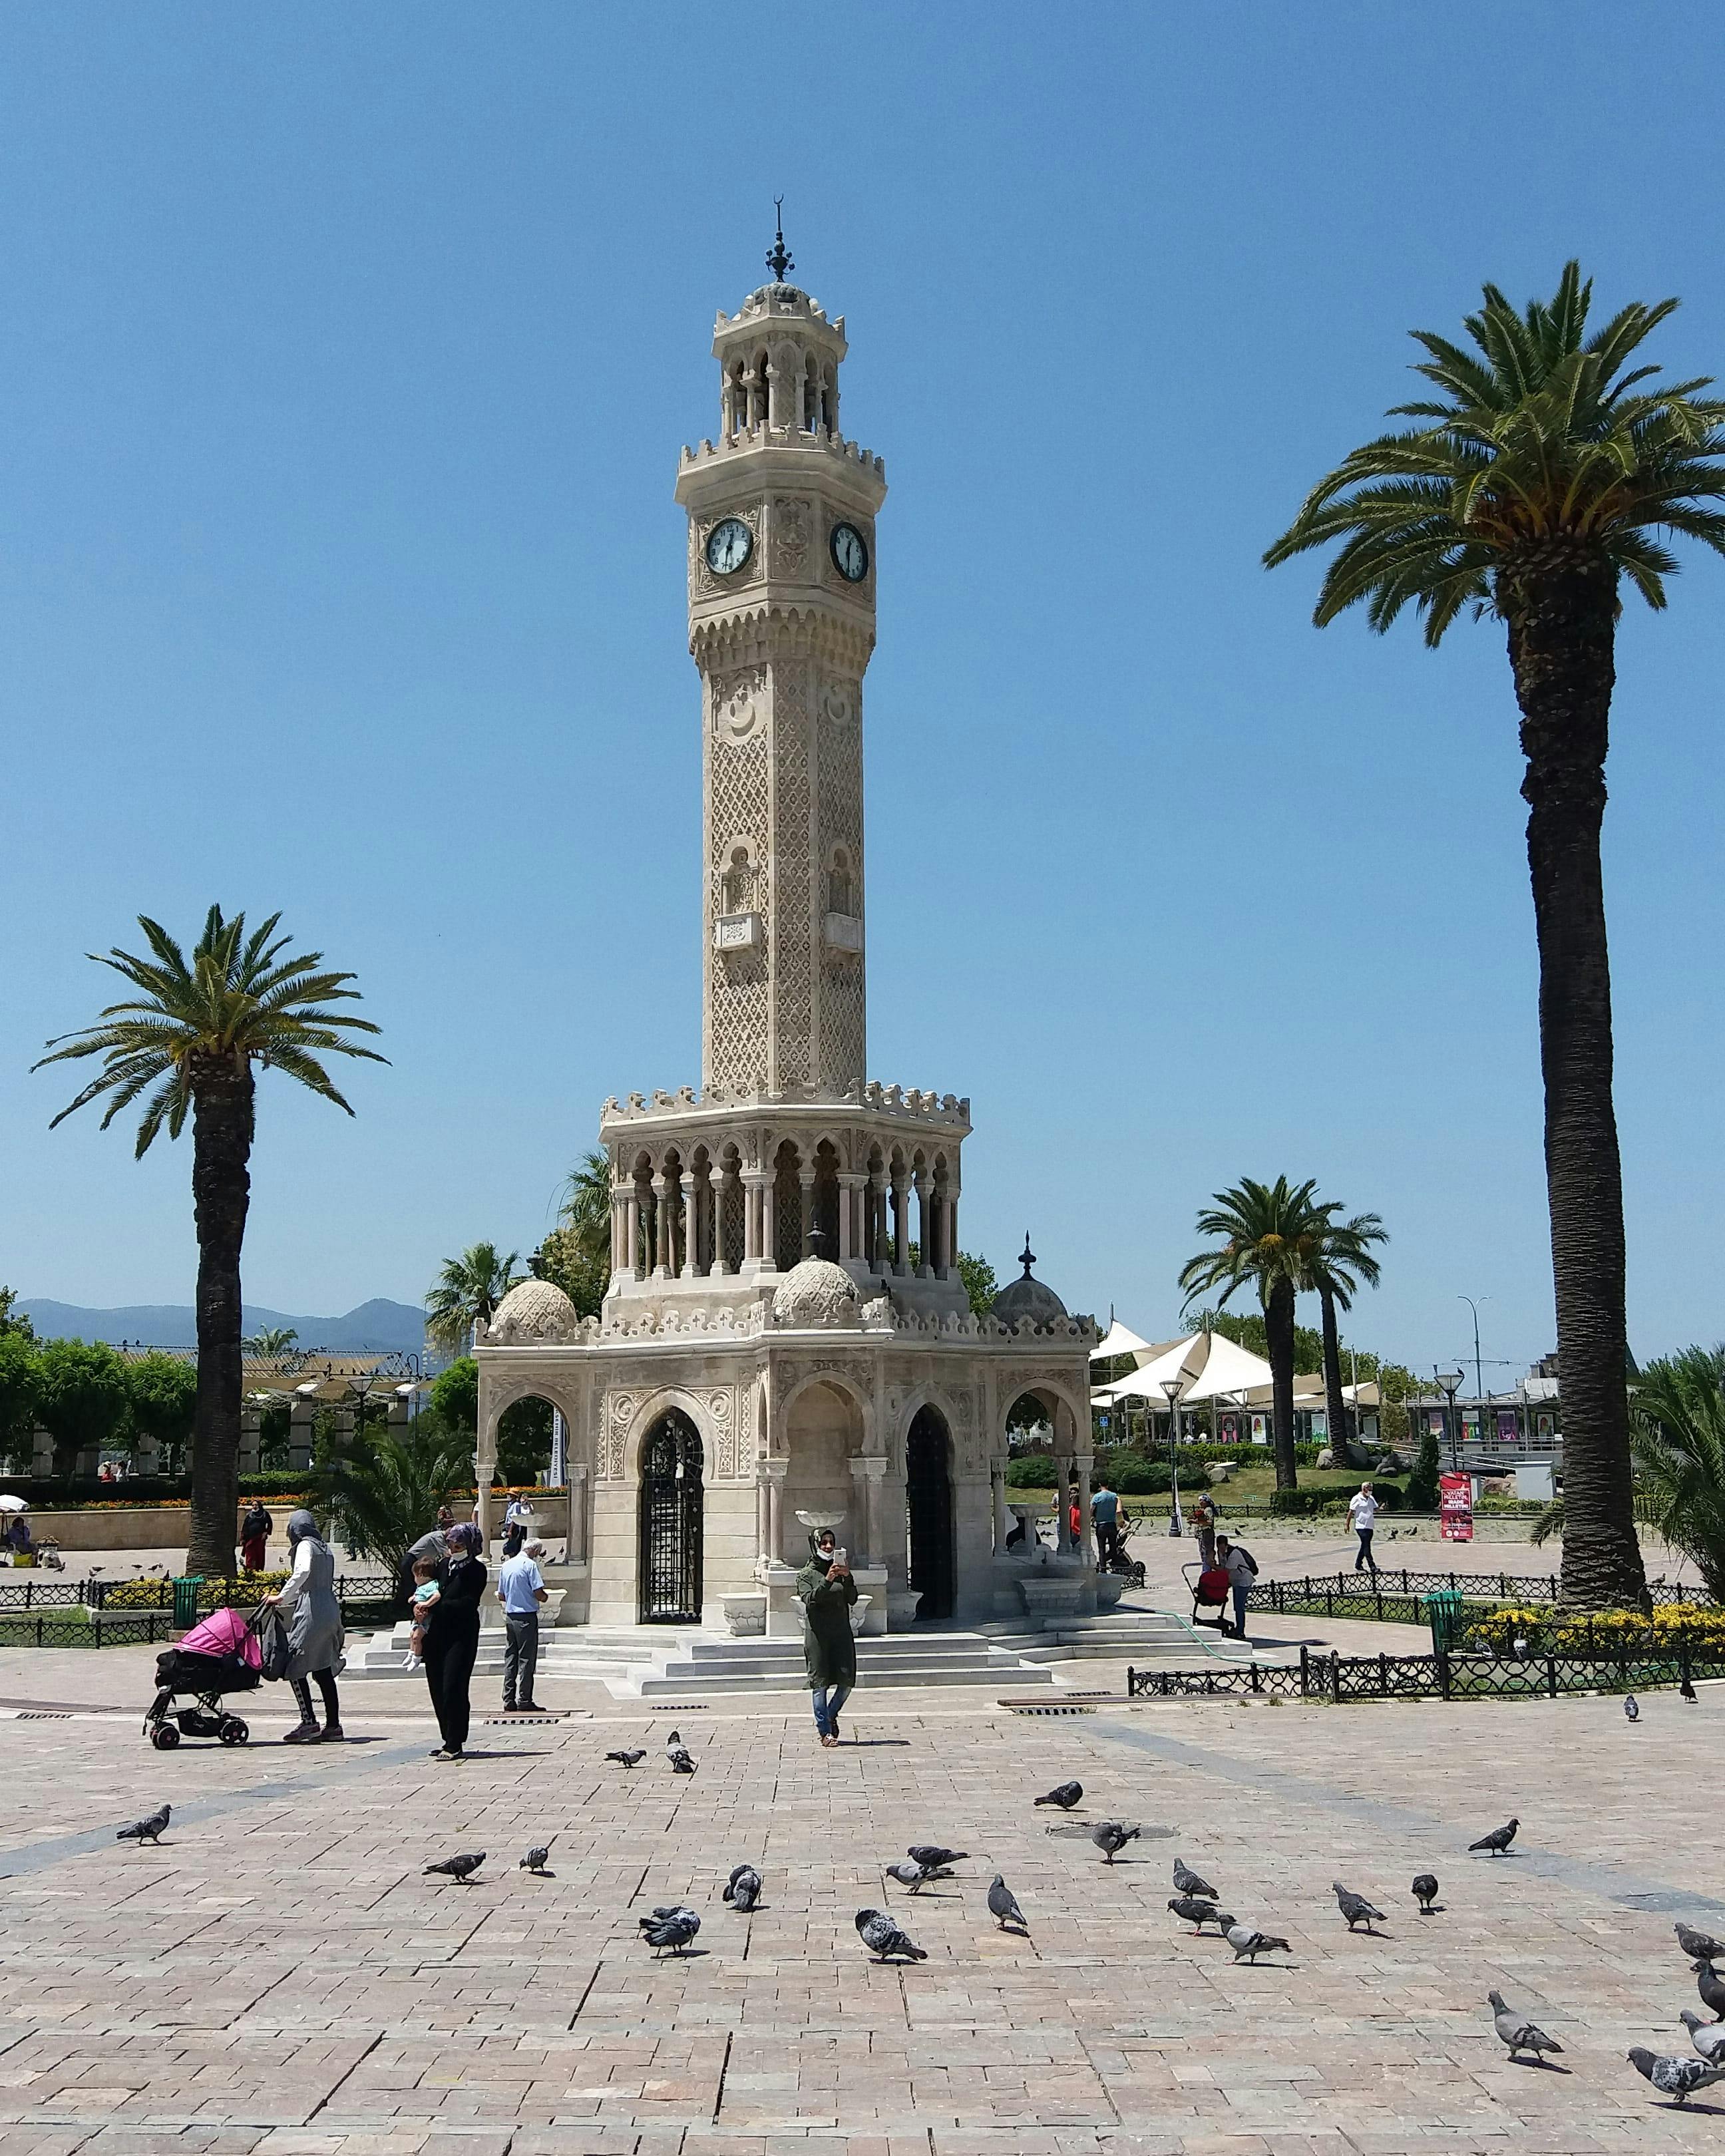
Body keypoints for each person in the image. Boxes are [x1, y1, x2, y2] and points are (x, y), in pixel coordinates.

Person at [264, 1509, 345, 1743]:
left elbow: (302, 1572)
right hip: (329, 1607)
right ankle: (333, 1725)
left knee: (294, 1665)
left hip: (312, 1609)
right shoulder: (325, 1548)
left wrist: (280, 1598)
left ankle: (309, 1721)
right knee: (322, 1668)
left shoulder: (305, 1546)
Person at [421, 1521, 486, 1760]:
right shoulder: (443, 1566)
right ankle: (446, 1737)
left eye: (459, 1544)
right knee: (437, 1686)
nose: (454, 1547)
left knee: (453, 1686)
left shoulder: (476, 1571)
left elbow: (469, 1602)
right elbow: (429, 1590)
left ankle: (456, 1741)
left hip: (461, 1635)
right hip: (437, 1634)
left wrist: (437, 1607)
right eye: (451, 1543)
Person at [795, 1528, 858, 1747]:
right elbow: (810, 1600)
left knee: (846, 1682)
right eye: (824, 1543)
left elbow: (852, 1599)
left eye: (831, 1542)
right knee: (819, 1684)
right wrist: (827, 1580)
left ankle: (830, 1715)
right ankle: (825, 1732)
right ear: (815, 1545)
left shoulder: (840, 1571)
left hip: (841, 1634)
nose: (828, 1547)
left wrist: (847, 1577)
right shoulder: (806, 1574)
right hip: (818, 1637)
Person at [497, 1536, 549, 1713]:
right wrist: (545, 1597)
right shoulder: (530, 1566)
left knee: (511, 1657)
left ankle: (508, 1698)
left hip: (510, 1617)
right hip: (526, 1617)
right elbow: (538, 1592)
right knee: (526, 1659)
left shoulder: (507, 1565)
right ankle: (525, 1699)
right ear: (534, 1551)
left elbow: (501, 1595)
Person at [1215, 1534, 1257, 1642]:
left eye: (1222, 1547)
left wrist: (1212, 1566)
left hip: (1244, 1581)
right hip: (1235, 1581)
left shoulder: (1234, 1554)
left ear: (1226, 1544)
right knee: (1237, 1607)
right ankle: (1238, 1629)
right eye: (1219, 1547)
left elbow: (1226, 1571)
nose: (1221, 1549)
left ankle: (1240, 1631)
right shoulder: (1222, 1553)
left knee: (1239, 1607)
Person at [402, 1553, 441, 1668]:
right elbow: (418, 1594)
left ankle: (417, 1657)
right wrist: (414, 1599)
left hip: (425, 1618)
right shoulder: (422, 1586)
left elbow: (437, 1596)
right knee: (412, 1634)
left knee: (417, 1637)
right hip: (417, 1617)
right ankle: (411, 1652)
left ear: (420, 1575)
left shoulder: (431, 1585)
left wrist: (426, 1604)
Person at [1348, 1480, 1379, 1574]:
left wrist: (1381, 1508)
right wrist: (1347, 1523)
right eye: (1369, 1489)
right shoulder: (1357, 1498)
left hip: (1369, 1525)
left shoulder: (1371, 1498)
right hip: (1360, 1526)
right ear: (1364, 1489)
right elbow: (1351, 1512)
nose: (1370, 1491)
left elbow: (1376, 1509)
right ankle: (1372, 1566)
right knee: (1367, 1546)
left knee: (1364, 1546)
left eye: (1371, 1489)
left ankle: (1358, 1565)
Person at [1091, 1479, 1120, 1568]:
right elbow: (1119, 1510)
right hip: (1112, 1524)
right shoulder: (1114, 1496)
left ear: (1100, 1485)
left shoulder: (1097, 1497)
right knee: (1113, 1547)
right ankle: (1115, 1566)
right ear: (1108, 1485)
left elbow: (1091, 1510)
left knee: (1102, 1549)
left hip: (1101, 1525)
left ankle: (1103, 1568)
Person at [239, 1500, 272, 1576]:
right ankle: (250, 1572)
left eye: (256, 1505)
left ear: (259, 1505)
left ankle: (259, 1572)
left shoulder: (264, 1514)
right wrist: (243, 1539)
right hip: (249, 1539)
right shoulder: (249, 1515)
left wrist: (266, 1532)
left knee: (259, 1555)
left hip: (260, 1538)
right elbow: (245, 1527)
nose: (254, 1506)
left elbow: (270, 1524)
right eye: (253, 1505)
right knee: (250, 1556)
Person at [1189, 1488, 1217, 1573]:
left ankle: (1207, 1569)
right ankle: (1207, 1567)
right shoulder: (1203, 1510)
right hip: (1202, 1534)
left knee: (1207, 1552)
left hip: (1207, 1533)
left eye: (1202, 1500)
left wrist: (1196, 1521)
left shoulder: (1208, 1510)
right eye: (1200, 1501)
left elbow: (1209, 1522)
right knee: (1203, 1551)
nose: (1200, 1502)